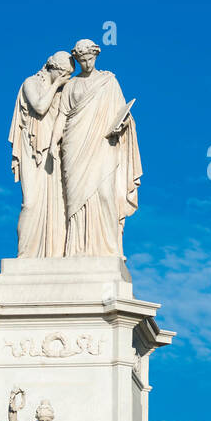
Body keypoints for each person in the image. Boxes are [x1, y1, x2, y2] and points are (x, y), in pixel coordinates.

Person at [49, 38, 141, 257]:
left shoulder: (109, 82)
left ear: (96, 56)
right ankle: (76, 249)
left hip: (103, 144)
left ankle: (110, 249)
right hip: (75, 144)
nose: (87, 63)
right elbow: (62, 116)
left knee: (105, 194)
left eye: (90, 58)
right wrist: (53, 143)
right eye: (82, 60)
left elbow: (124, 114)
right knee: (75, 199)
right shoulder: (71, 85)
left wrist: (122, 125)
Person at [8, 51, 74, 256]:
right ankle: (24, 255)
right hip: (32, 150)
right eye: (63, 73)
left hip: (53, 152)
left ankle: (54, 254)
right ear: (52, 67)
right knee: (30, 203)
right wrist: (56, 85)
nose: (66, 79)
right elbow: (39, 106)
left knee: (57, 206)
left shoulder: (62, 92)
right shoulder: (31, 82)